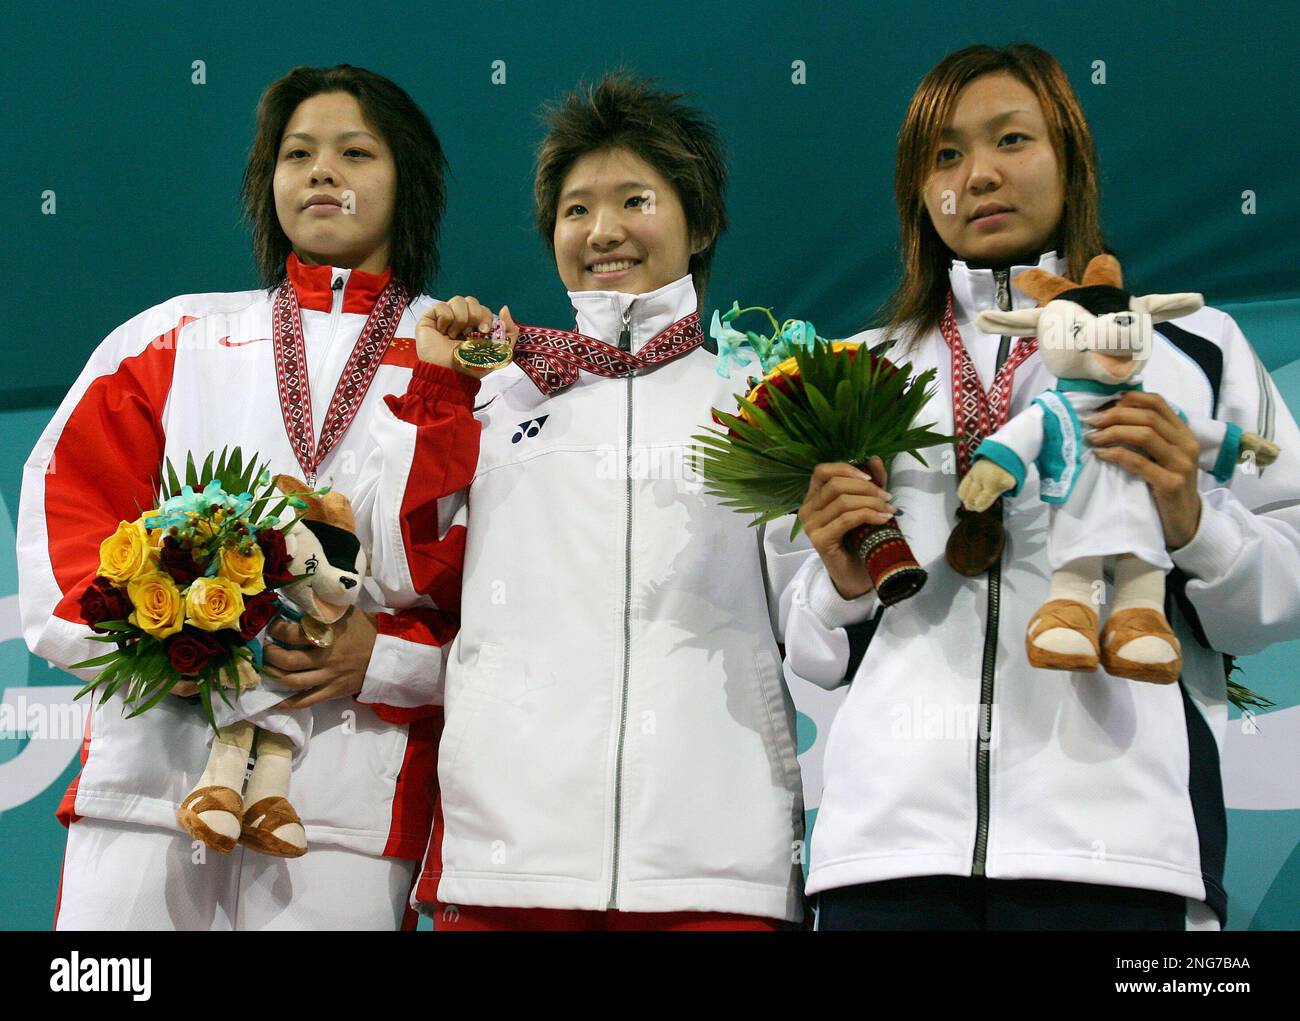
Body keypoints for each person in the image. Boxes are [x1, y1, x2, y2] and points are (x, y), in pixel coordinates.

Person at [782, 43, 1300, 930]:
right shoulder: (856, 373)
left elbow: (1277, 600)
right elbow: (810, 654)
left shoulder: (1193, 347)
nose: (978, 174)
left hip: (1119, 851)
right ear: (918, 190)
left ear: (1070, 158)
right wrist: (835, 584)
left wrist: (1189, 521)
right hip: (888, 853)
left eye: (1011, 139)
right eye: (944, 156)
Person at [17, 64, 479, 930]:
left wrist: (382, 658)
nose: (321, 172)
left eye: (355, 152)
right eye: (297, 153)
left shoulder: (461, 360)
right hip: (150, 785)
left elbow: (497, 594)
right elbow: (67, 525)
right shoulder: (175, 334)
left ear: (409, 183)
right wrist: (162, 638)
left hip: (344, 810)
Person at [383, 72, 809, 930]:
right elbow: (411, 568)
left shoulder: (759, 399)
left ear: (702, 222)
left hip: (714, 865)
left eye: (635, 200)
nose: (603, 230)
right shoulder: (498, 400)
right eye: (576, 209)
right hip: (512, 862)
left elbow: (815, 621)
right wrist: (435, 392)